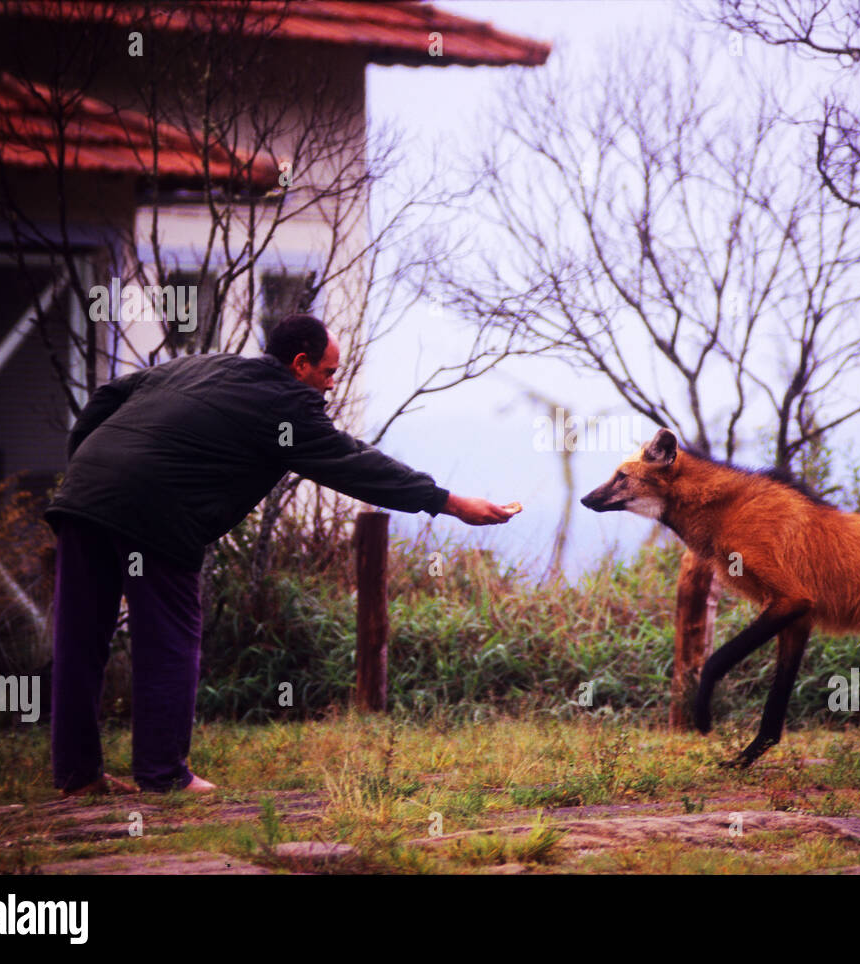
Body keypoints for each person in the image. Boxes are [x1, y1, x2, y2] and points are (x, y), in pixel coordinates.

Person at [44, 313, 518, 796]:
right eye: (329, 372)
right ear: (299, 364)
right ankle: (163, 775)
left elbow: (108, 395)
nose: (331, 386)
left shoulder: (203, 366)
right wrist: (452, 503)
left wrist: (85, 462)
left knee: (80, 638)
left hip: (83, 496)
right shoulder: (289, 405)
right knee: (167, 638)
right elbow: (355, 464)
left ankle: (77, 775)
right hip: (155, 511)